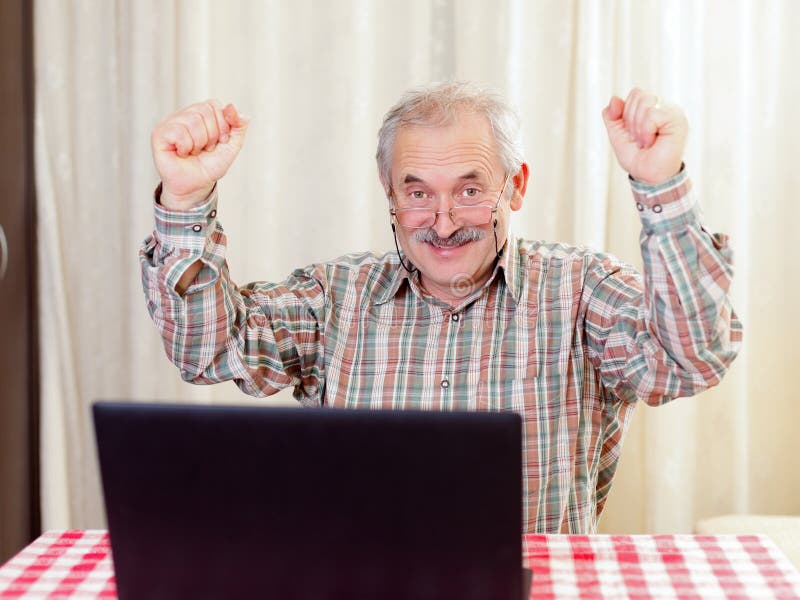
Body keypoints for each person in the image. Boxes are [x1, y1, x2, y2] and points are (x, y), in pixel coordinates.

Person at [141, 82, 742, 533]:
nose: (444, 221)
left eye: (471, 190)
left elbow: (689, 360)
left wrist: (661, 187)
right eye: (418, 192)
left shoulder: (582, 289)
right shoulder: (336, 297)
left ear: (517, 187)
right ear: (391, 196)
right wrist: (187, 197)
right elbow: (208, 348)